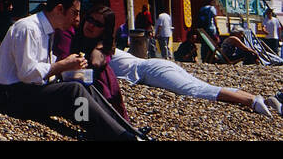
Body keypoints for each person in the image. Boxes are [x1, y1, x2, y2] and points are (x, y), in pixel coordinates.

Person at [0, 0, 144, 141]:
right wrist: (64, 65)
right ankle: (122, 138)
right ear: (59, 9)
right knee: (73, 91)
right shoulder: (28, 28)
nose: (77, 19)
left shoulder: (47, 30)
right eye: (75, 13)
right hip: (8, 96)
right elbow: (27, 74)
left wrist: (70, 69)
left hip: (23, 91)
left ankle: (124, 130)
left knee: (86, 86)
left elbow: (41, 72)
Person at [109, 46, 281, 115]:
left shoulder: (98, 50)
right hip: (155, 66)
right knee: (202, 86)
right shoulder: (102, 48)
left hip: (151, 70)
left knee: (193, 90)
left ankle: (250, 101)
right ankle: (260, 99)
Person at [53, 4, 129, 123]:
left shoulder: (104, 46)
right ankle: (87, 122)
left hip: (100, 89)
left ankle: (120, 126)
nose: (91, 25)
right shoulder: (72, 35)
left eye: (98, 24)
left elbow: (96, 62)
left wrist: (100, 46)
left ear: (105, 30)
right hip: (73, 86)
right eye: (90, 19)